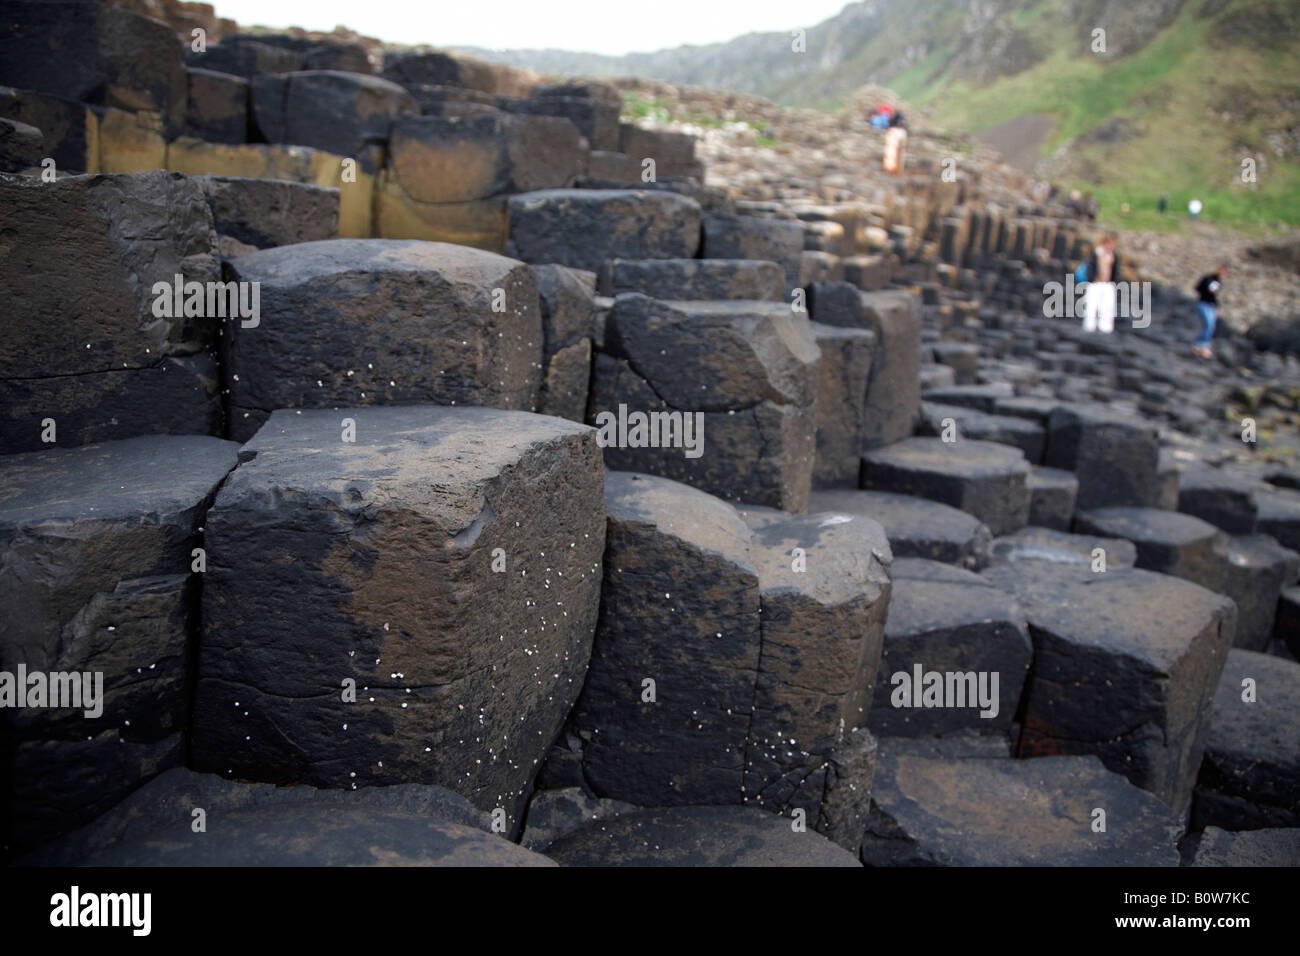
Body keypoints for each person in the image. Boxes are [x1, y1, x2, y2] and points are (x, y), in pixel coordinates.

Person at [1082, 233, 1121, 334]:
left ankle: (1105, 329)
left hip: (1107, 285)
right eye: (1110, 243)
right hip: (1095, 284)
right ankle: (1089, 328)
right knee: (1091, 308)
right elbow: (1090, 268)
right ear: (1105, 243)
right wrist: (1091, 280)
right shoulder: (1096, 253)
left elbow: (1115, 270)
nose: (1112, 246)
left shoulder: (1113, 255)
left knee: (1107, 309)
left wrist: (1113, 282)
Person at [1192, 267, 1226, 358]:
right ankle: (1201, 346)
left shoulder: (1213, 280)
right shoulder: (1211, 280)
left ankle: (1200, 346)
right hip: (1205, 304)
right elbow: (1210, 293)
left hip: (1208, 304)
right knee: (1209, 325)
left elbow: (1200, 289)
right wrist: (1217, 306)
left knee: (1210, 326)